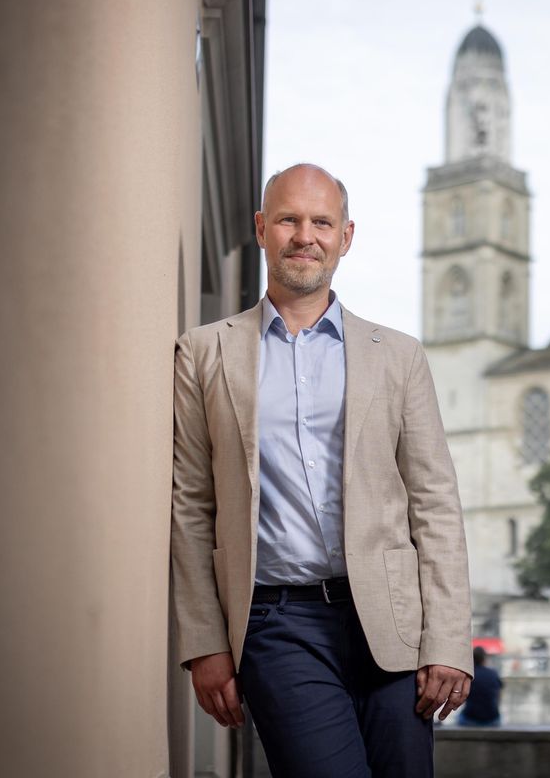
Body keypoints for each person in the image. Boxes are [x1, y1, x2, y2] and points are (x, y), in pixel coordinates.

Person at [171, 163, 473, 778]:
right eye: (288, 219)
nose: (304, 235)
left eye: (321, 222)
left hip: (392, 624)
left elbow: (434, 503)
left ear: (346, 236)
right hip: (277, 625)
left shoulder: (398, 357)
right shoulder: (205, 353)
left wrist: (446, 639)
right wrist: (205, 641)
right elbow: (191, 506)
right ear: (262, 228)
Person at [457, 646, 502, 727]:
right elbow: (498, 696)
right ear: (484, 658)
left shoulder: (469, 675)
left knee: (458, 716)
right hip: (492, 719)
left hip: (471, 718)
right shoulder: (493, 674)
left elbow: (462, 698)